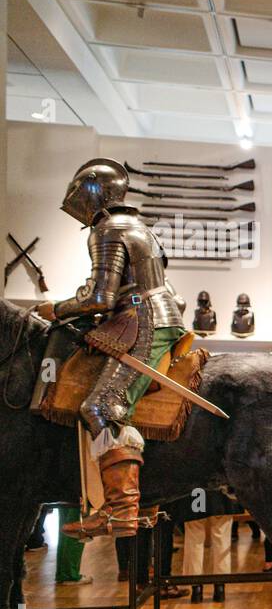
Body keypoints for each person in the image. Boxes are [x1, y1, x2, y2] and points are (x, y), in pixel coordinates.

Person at [34, 159, 185, 539]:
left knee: (101, 407)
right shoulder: (136, 226)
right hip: (143, 313)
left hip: (143, 319)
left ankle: (121, 512)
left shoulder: (107, 228)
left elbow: (100, 297)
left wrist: (57, 308)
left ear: (90, 190)